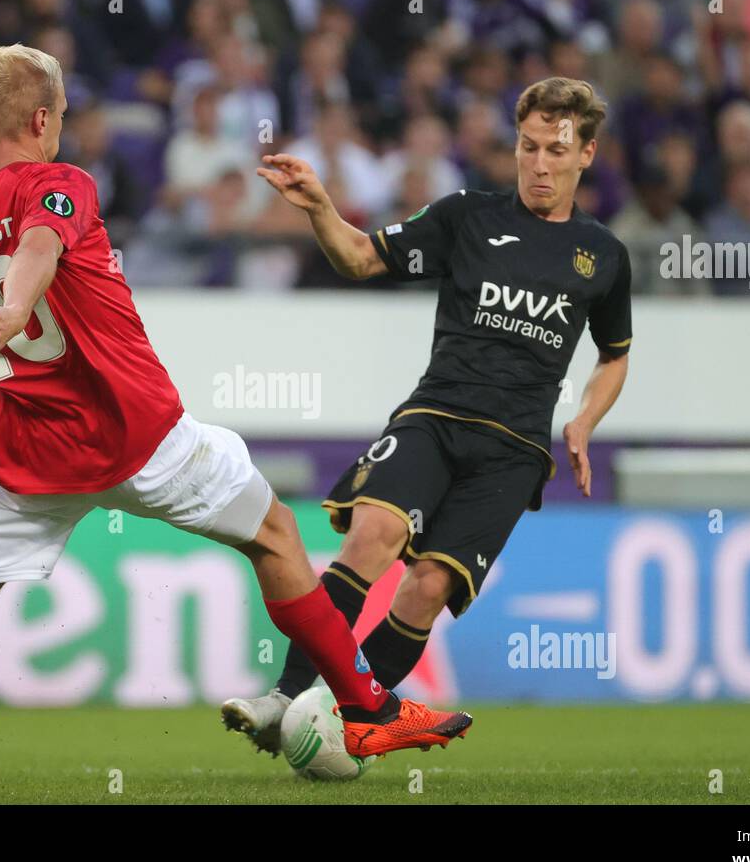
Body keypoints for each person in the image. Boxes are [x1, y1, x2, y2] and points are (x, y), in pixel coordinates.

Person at [0, 45, 471, 795]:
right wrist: (17, 303)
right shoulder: (60, 182)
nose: (61, 129)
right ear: (41, 119)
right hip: (136, 437)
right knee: (274, 535)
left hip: (25, 458)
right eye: (60, 116)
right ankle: (365, 709)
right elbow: (39, 241)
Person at [222, 77, 631, 755]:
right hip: (436, 416)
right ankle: (286, 697)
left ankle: (352, 721)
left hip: (514, 451)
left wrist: (583, 420)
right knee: (372, 535)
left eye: (556, 150)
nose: (538, 163)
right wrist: (320, 206)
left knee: (428, 586)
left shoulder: (604, 257)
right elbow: (360, 257)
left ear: (586, 153)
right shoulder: (467, 216)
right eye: (528, 146)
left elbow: (614, 356)